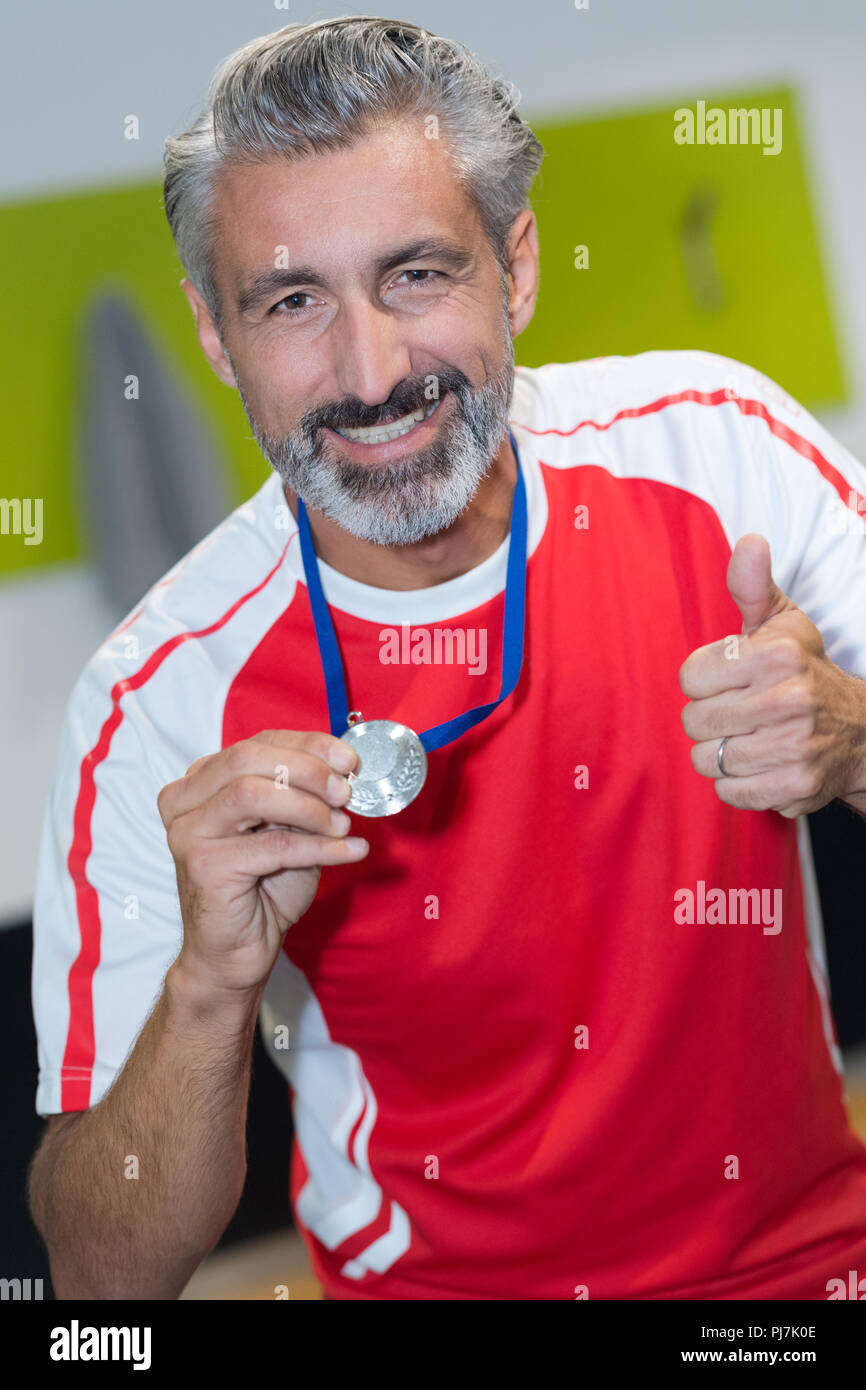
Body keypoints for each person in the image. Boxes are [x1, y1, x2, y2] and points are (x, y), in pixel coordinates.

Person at [28, 16, 866, 1301]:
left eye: (416, 274)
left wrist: (851, 738)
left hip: (799, 1272)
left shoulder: (723, 453)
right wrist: (209, 982)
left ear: (514, 265)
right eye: (293, 300)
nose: (369, 374)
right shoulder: (155, 703)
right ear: (211, 331)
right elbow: (97, 1283)